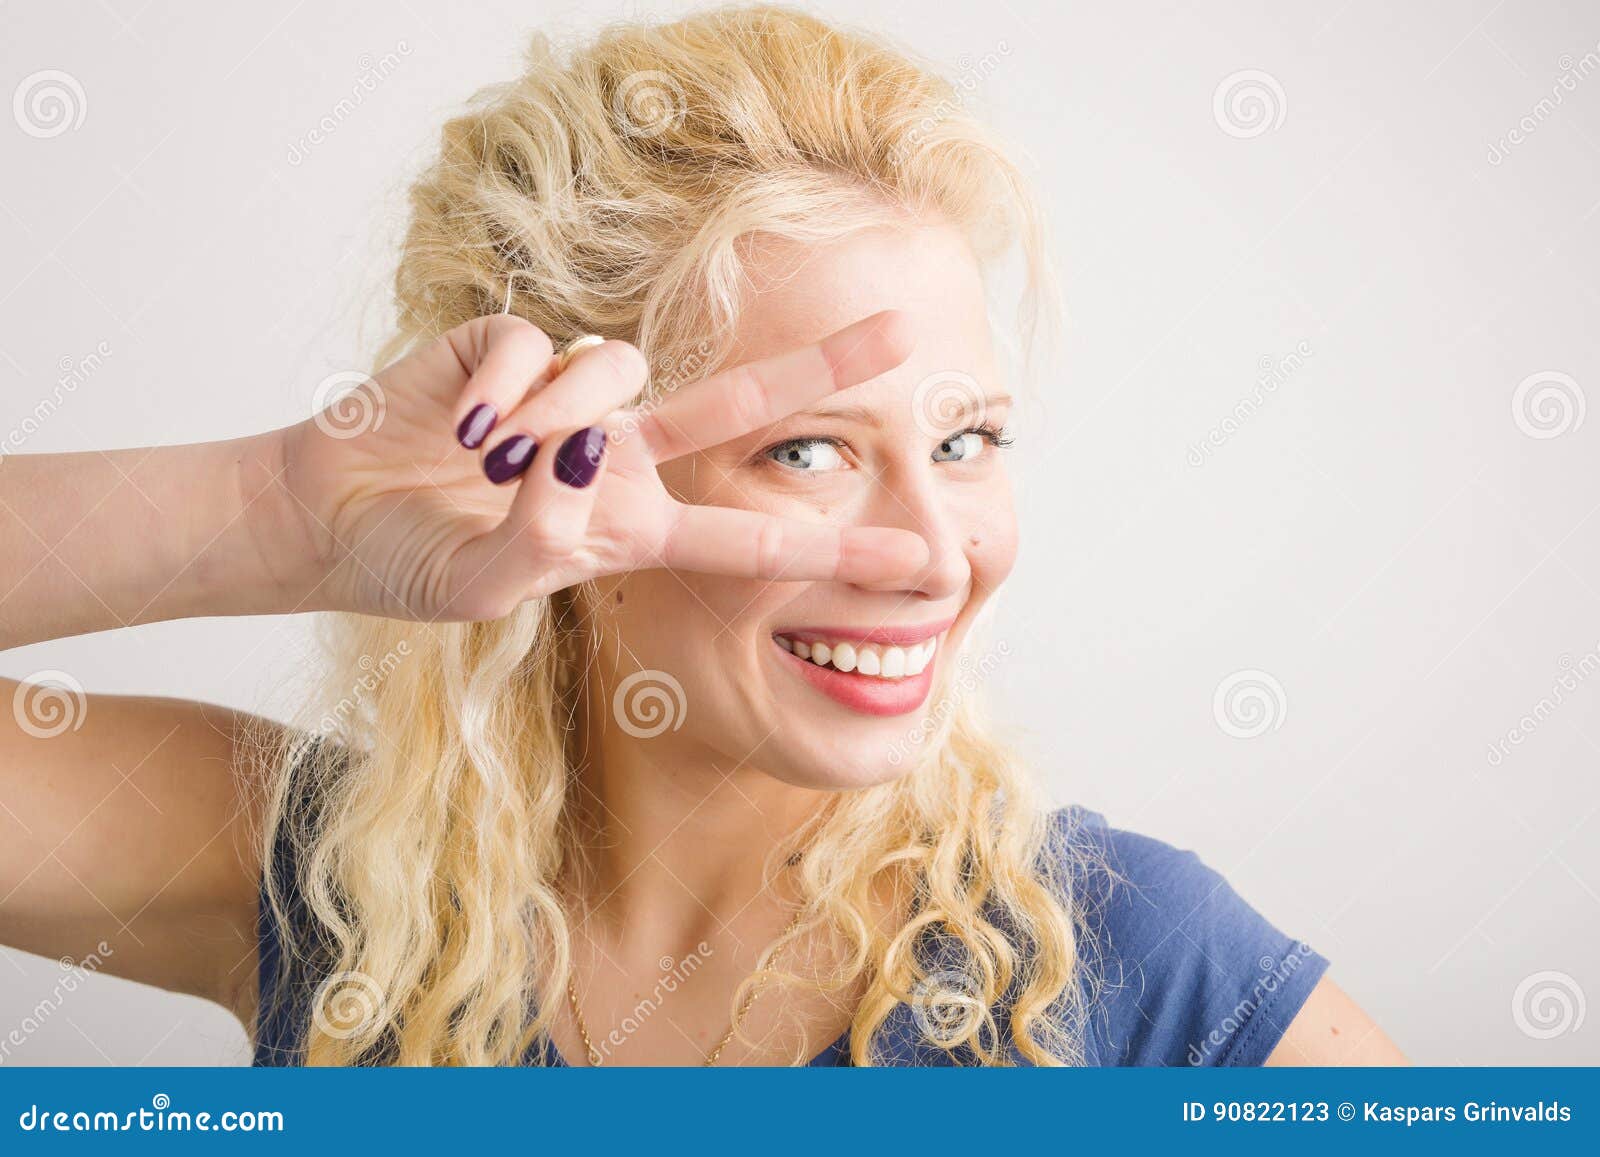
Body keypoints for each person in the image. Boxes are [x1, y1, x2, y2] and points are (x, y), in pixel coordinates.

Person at [0, 5, 1403, 1067]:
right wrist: (288, 512)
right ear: (555, 467)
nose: (931, 549)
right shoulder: (326, 883)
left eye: (966, 441)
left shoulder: (1135, 971)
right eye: (810, 450)